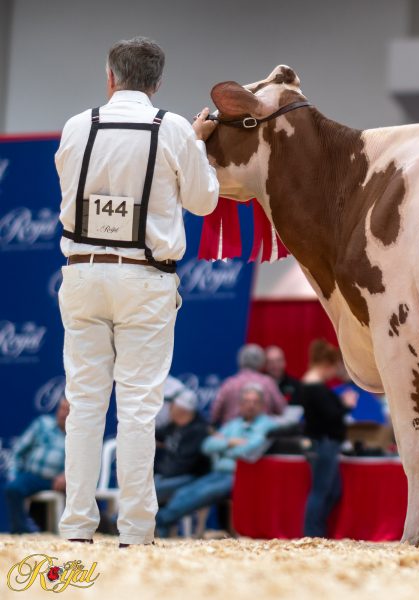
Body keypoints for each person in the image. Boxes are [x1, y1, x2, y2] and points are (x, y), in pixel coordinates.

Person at [54, 37, 219, 546]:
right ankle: (135, 531)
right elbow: (204, 200)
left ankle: (77, 527)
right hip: (145, 277)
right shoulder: (171, 129)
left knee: (83, 404)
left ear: (110, 77)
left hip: (82, 271)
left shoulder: (77, 125)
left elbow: (69, 182)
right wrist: (193, 143)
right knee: (138, 408)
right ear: (157, 82)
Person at [155, 384, 275, 535]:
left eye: (255, 401)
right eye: (246, 401)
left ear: (262, 405)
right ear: (240, 404)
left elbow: (250, 449)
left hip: (241, 475)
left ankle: (157, 521)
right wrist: (231, 443)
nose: (250, 405)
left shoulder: (267, 426)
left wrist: (224, 445)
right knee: (183, 493)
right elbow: (207, 446)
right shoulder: (234, 424)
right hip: (218, 472)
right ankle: (160, 524)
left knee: (201, 494)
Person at [298, 340, 357, 537]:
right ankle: (312, 534)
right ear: (327, 364)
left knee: (330, 491)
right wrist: (346, 405)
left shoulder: (313, 386)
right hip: (323, 444)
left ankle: (316, 532)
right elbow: (331, 415)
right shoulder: (315, 387)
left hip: (324, 443)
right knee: (320, 491)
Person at [5, 399, 69, 534]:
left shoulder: (79, 434)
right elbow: (17, 452)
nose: (63, 414)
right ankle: (21, 531)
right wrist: (14, 476)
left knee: (83, 494)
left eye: (68, 410)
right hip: (33, 475)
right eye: (62, 409)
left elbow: (83, 462)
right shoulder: (42, 424)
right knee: (12, 488)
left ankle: (76, 533)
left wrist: (66, 475)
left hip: (58, 480)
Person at [154, 389, 211, 505]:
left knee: (148, 491)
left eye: (172, 404)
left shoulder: (197, 431)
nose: (168, 407)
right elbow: (153, 434)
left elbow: (183, 465)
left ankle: (115, 521)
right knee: (140, 486)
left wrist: (160, 475)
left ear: (182, 408)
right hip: (170, 474)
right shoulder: (174, 426)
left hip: (192, 478)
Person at [211, 344, 286, 426]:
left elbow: (214, 413)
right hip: (255, 433)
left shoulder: (229, 383)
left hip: (235, 435)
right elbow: (281, 409)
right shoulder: (268, 383)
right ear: (261, 362)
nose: (251, 406)